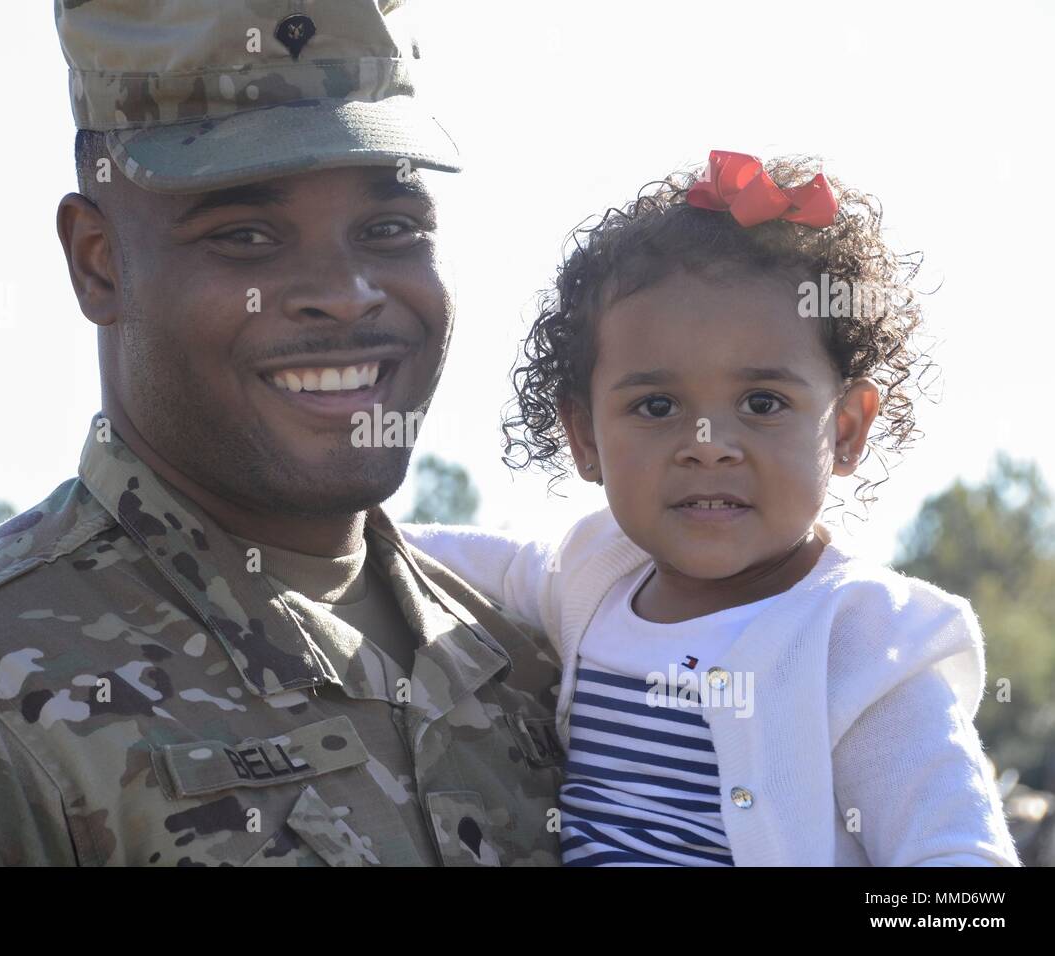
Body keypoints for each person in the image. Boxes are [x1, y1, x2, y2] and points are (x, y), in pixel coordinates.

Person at [0, 0, 564, 867]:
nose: (348, 290)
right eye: (246, 236)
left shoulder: (531, 661)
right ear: (98, 262)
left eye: (392, 228)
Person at [405, 150, 1022, 866]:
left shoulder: (862, 642)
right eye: (656, 406)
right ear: (585, 436)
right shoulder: (592, 574)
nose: (708, 446)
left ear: (845, 429)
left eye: (763, 404)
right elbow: (407, 552)